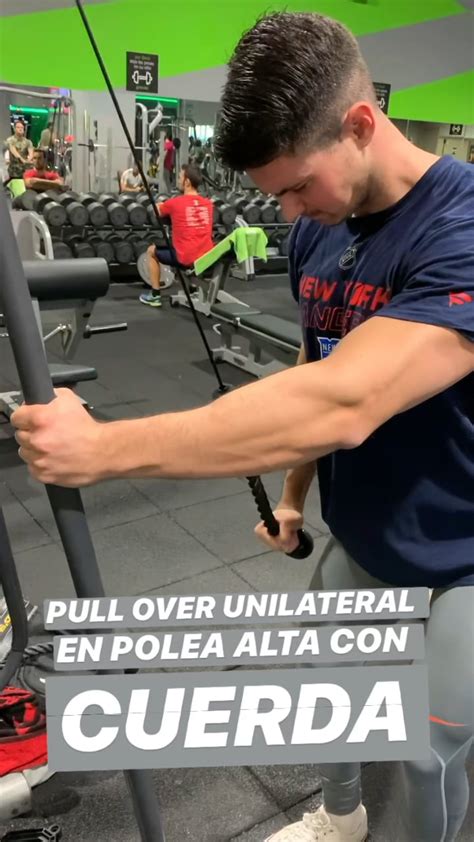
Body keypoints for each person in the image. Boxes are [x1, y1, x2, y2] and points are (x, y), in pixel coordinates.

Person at [9, 12, 474, 842]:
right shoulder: (317, 231)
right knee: (332, 695)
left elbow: (345, 402)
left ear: (360, 124)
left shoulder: (461, 228)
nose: (289, 210)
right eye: (276, 193)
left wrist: (103, 448)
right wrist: (293, 497)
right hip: (363, 533)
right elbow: (313, 366)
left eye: (297, 186)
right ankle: (340, 820)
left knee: (423, 755)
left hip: (464, 556)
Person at [139, 163, 213, 308]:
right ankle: (192, 288)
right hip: (207, 256)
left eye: (180, 177)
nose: (178, 180)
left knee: (152, 251)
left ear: (187, 182)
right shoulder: (208, 204)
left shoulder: (175, 203)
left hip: (186, 258)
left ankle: (155, 295)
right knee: (186, 245)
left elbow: (156, 210)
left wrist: (159, 204)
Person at [163, 129, 175, 193]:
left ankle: (168, 193)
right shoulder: (171, 144)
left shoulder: (168, 144)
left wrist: (159, 162)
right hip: (169, 164)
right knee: (167, 179)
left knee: (166, 179)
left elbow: (164, 154)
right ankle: (168, 191)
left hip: (165, 165)